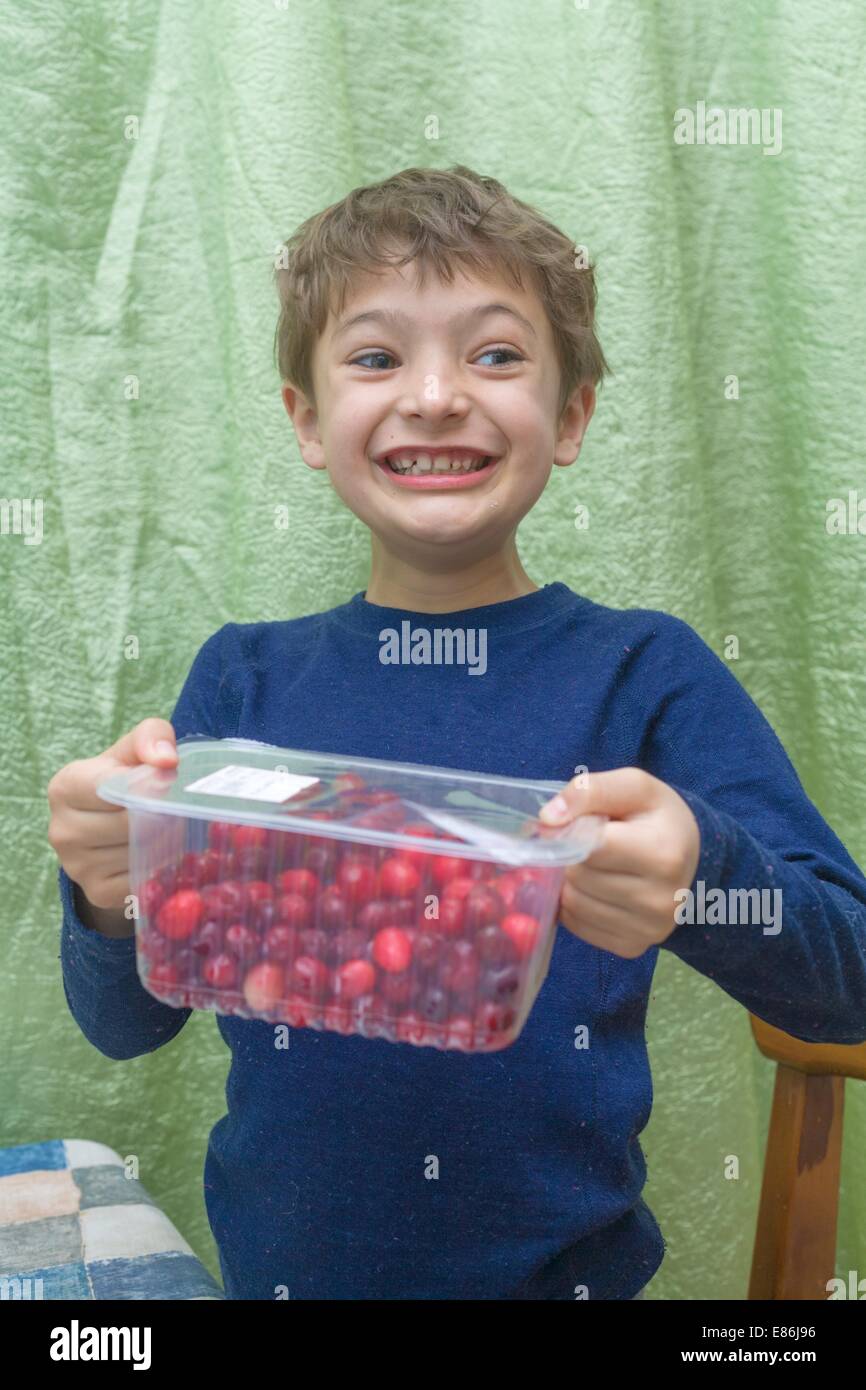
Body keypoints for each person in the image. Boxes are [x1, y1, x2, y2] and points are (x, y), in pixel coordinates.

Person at [47, 165, 866, 1300]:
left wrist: (704, 872)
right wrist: (107, 887)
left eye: (493, 355)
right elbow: (125, 1024)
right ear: (306, 420)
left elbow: (849, 984)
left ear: (569, 416)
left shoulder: (645, 672)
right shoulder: (243, 676)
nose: (435, 397)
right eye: (376, 358)